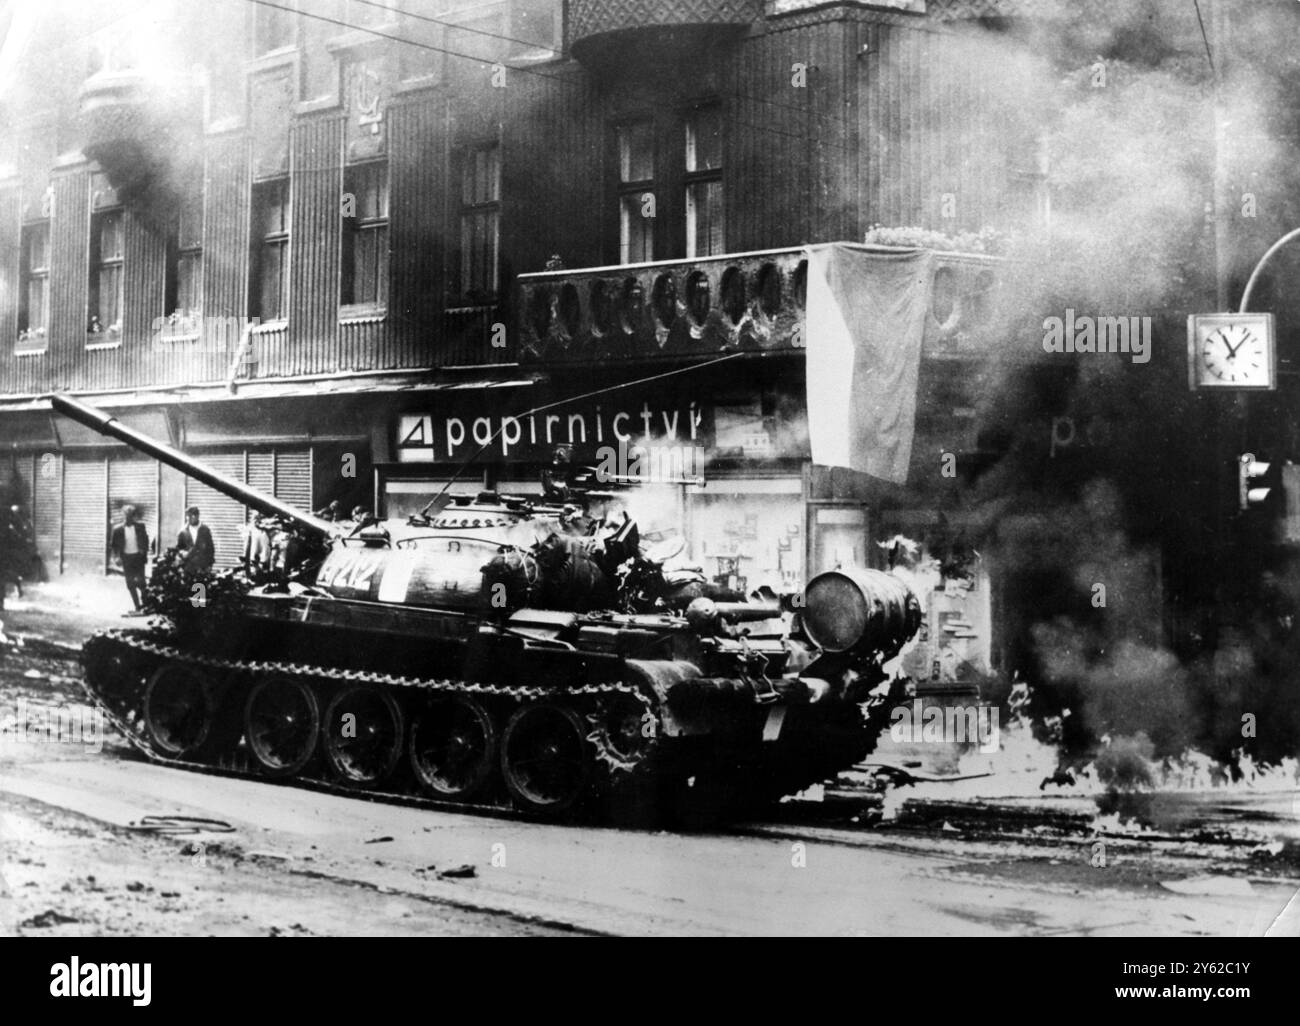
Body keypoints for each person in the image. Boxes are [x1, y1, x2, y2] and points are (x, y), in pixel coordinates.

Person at [110, 505, 150, 613]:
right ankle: (137, 606)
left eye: (131, 515)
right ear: (123, 515)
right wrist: (116, 557)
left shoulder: (140, 526)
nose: (129, 518)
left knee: (142, 582)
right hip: (127, 558)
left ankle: (146, 605)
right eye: (126, 515)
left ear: (134, 516)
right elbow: (114, 545)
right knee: (130, 583)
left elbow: (146, 540)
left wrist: (144, 551)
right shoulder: (117, 529)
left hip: (138, 557)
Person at [177, 506, 215, 574]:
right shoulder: (183, 532)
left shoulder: (205, 530)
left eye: (192, 515)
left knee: (200, 585)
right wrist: (182, 554)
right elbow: (179, 548)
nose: (189, 518)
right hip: (188, 568)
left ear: (197, 516)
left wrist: (209, 565)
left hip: (202, 568)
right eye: (188, 516)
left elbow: (211, 549)